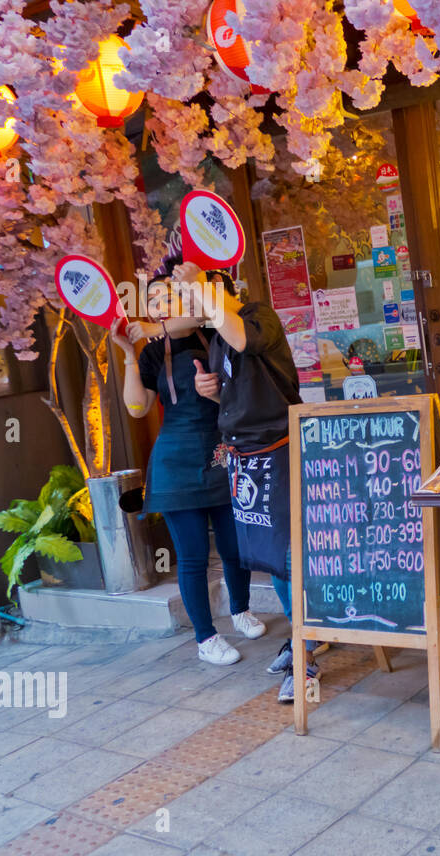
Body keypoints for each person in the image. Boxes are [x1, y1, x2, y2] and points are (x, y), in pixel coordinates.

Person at [139, 255, 318, 702]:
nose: (194, 302)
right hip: (245, 456)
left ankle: (306, 653)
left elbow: (240, 335)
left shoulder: (257, 316)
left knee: (290, 554)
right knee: (274, 558)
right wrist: (215, 392)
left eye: (203, 292)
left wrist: (201, 286)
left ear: (225, 292)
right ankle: (302, 637)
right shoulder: (217, 337)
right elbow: (235, 386)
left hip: (279, 450)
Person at [110, 278, 266, 666]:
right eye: (153, 302)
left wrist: (152, 328)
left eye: (167, 297)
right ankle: (206, 637)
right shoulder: (150, 353)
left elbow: (197, 313)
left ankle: (241, 610)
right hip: (175, 460)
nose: (160, 306)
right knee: (193, 555)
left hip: (220, 450)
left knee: (234, 547)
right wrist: (130, 352)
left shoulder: (210, 329)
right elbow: (136, 407)